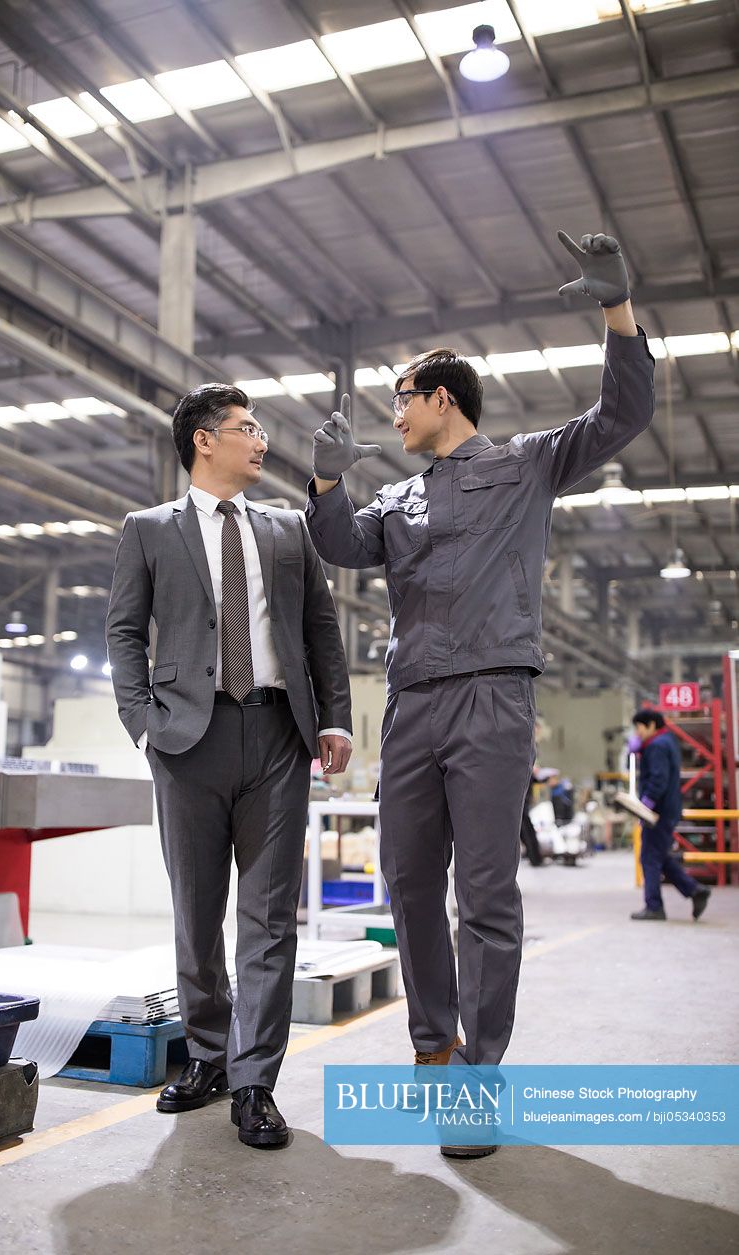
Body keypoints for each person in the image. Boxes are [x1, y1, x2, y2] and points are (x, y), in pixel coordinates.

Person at [305, 231, 654, 1159]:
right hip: (413, 705)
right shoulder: (400, 502)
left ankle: (479, 1074)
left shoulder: (528, 463)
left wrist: (616, 311)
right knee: (411, 882)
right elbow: (340, 545)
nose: (393, 412)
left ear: (440, 399)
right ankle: (433, 1044)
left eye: (400, 398)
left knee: (486, 894)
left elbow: (619, 414)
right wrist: (329, 481)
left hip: (494, 700)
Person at [106, 383, 352, 1149]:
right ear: (203, 440)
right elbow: (122, 632)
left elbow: (320, 630)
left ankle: (254, 1082)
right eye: (246, 427)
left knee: (269, 918)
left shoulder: (289, 529)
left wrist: (335, 717)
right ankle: (207, 1057)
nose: (262, 440)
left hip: (278, 736)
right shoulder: (148, 529)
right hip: (186, 741)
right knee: (197, 911)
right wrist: (144, 725)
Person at [629, 708, 710, 922]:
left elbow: (658, 779)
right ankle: (695, 891)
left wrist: (646, 805)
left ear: (651, 726)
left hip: (658, 812)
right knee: (660, 856)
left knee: (649, 857)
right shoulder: (667, 741)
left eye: (639, 728)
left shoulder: (656, 746)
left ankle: (654, 907)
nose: (637, 733)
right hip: (668, 809)